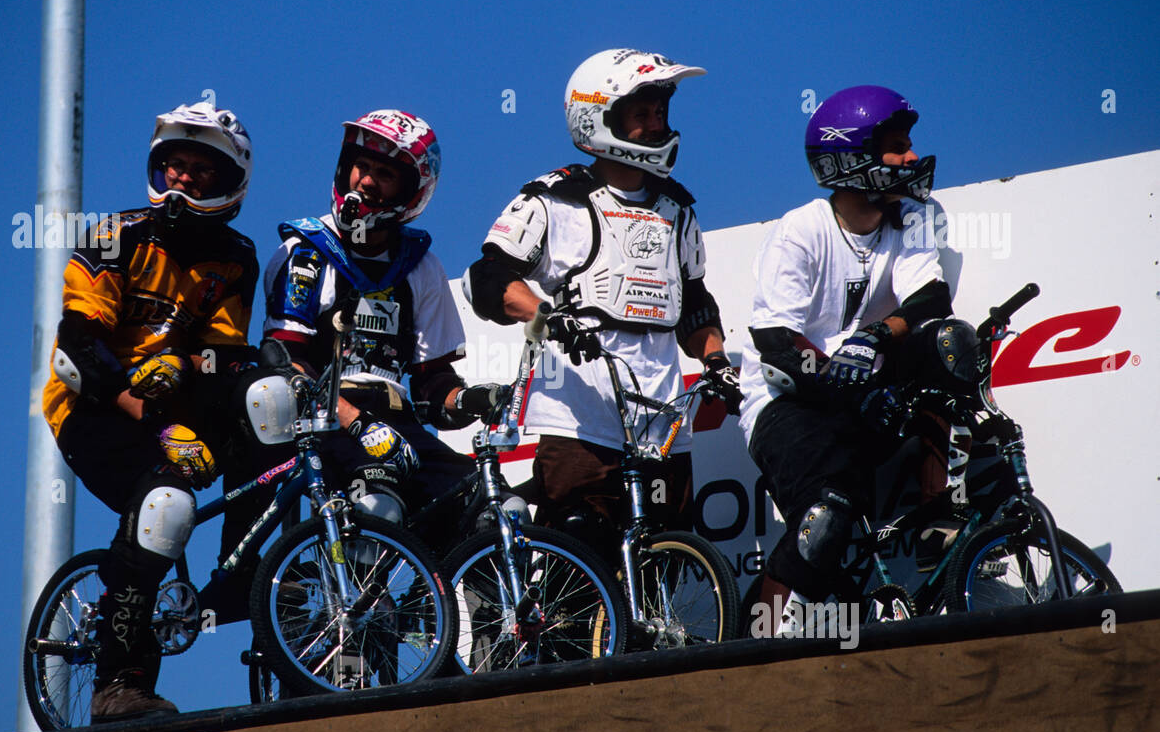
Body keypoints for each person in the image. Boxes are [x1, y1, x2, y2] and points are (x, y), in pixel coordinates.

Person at [463, 48, 740, 559]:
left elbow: (696, 306)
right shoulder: (553, 200)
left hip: (662, 426)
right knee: (579, 556)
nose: (657, 125)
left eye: (661, 113)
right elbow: (487, 278)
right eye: (642, 113)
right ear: (599, 117)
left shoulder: (678, 209)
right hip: (579, 420)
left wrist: (716, 361)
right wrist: (546, 318)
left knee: (664, 564)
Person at [43, 101, 271, 721]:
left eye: (202, 168)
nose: (183, 177)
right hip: (94, 406)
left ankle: (245, 575)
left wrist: (188, 368)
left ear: (232, 184)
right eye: (175, 163)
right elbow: (76, 350)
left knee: (268, 399)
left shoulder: (237, 256)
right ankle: (118, 681)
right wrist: (157, 421)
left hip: (174, 402)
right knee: (166, 501)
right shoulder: (113, 236)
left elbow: (225, 357)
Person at [737, 85, 954, 633]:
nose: (911, 156)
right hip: (785, 403)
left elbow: (930, 300)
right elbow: (778, 346)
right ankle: (760, 644)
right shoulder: (801, 230)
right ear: (851, 158)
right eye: (896, 147)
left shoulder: (914, 216)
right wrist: (848, 388)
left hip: (865, 390)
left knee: (951, 343)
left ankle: (940, 526)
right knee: (824, 519)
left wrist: (876, 336)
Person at [262, 110, 501, 532]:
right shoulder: (305, 252)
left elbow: (432, 385)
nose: (367, 181)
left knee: (495, 506)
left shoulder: (422, 266)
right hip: (327, 424)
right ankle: (358, 578)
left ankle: (463, 577)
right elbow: (284, 363)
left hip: (400, 424)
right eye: (362, 166)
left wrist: (471, 400)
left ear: (412, 191)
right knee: (379, 507)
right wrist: (356, 421)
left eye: (385, 174)